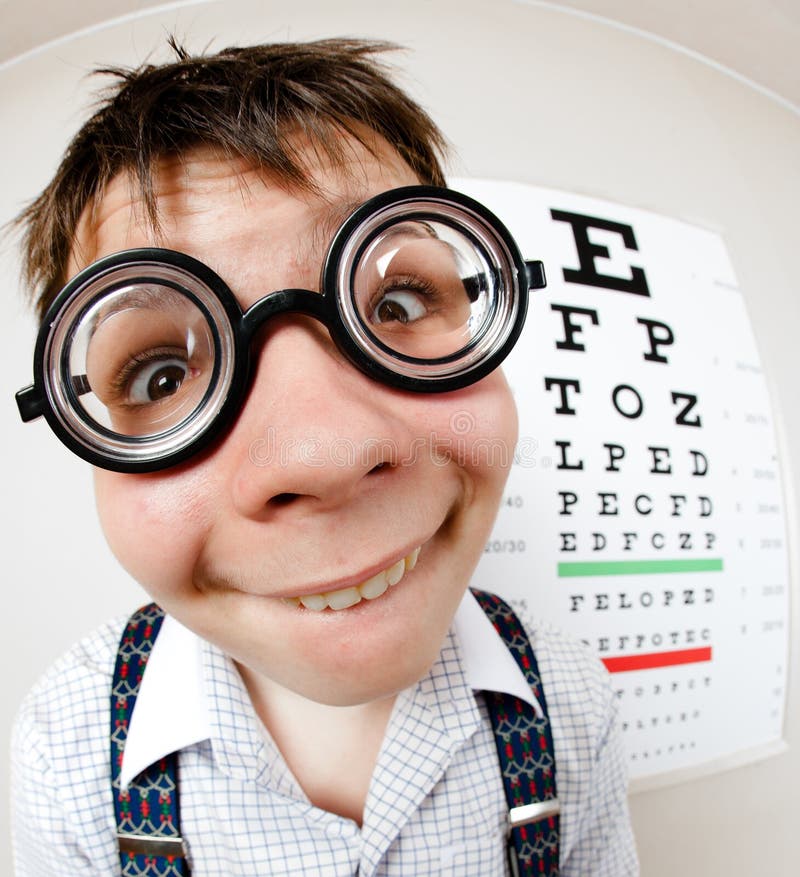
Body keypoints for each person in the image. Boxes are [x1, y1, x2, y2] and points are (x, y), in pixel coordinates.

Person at [10, 38, 638, 876]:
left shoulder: (572, 697)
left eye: (398, 300)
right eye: (163, 374)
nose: (325, 451)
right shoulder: (67, 745)